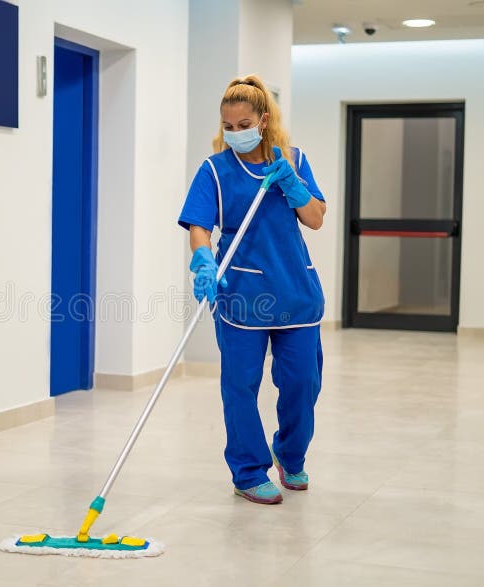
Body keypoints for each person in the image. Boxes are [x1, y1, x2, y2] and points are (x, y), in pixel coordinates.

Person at [178, 75, 326, 505]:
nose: (234, 132)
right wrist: (203, 259)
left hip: (296, 291)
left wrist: (293, 187)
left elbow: (315, 218)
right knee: (240, 386)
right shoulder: (215, 169)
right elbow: (199, 226)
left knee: (303, 382)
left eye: (243, 124)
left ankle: (289, 452)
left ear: (263, 120)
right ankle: (247, 471)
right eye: (228, 125)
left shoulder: (293, 160)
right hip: (241, 292)